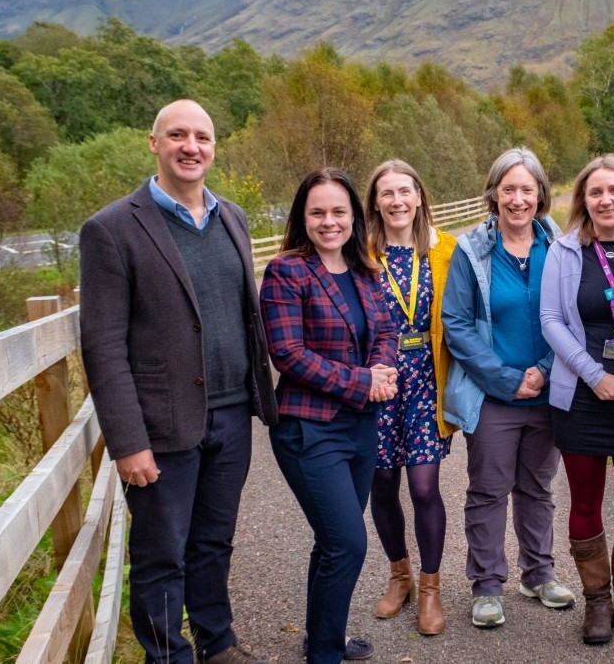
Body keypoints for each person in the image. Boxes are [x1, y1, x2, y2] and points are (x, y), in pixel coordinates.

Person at [78, 99, 278, 664]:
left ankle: (218, 642)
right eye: (178, 135)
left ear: (214, 147)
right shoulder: (112, 229)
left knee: (213, 542)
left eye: (203, 137)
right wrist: (128, 442)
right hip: (161, 425)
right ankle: (168, 655)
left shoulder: (232, 217)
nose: (191, 147)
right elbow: (103, 345)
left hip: (232, 413)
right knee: (161, 552)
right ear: (154, 143)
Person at [261, 169, 399, 664]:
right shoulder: (287, 271)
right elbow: (289, 354)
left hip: (361, 426)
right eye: (317, 212)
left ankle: (324, 639)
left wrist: (382, 369)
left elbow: (386, 329)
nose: (329, 221)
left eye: (339, 211)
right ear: (303, 216)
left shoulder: (366, 269)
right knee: (347, 542)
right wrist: (363, 382)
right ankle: (324, 653)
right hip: (308, 428)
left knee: (331, 542)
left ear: (354, 217)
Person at [441, 147, 573, 629]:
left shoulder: (561, 245)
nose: (518, 199)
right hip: (495, 395)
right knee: (489, 490)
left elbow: (572, 314)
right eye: (508, 189)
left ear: (540, 195)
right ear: (494, 193)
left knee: (538, 487)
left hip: (549, 390)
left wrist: (540, 370)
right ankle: (487, 585)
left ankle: (538, 573)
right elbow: (455, 323)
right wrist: (505, 379)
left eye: (527, 189)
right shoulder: (471, 249)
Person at [540, 155, 614, 646]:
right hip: (583, 398)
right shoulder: (563, 251)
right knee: (585, 501)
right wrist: (595, 376)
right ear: (582, 200)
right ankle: (597, 600)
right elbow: (550, 319)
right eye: (595, 192)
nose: (606, 200)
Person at [362, 160, 458, 636]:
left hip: (425, 379)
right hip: (378, 382)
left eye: (405, 191)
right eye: (387, 193)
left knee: (423, 487)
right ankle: (398, 574)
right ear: (375, 202)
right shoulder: (361, 254)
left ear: (419, 196)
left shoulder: (445, 250)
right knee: (381, 482)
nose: (397, 201)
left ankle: (431, 586)